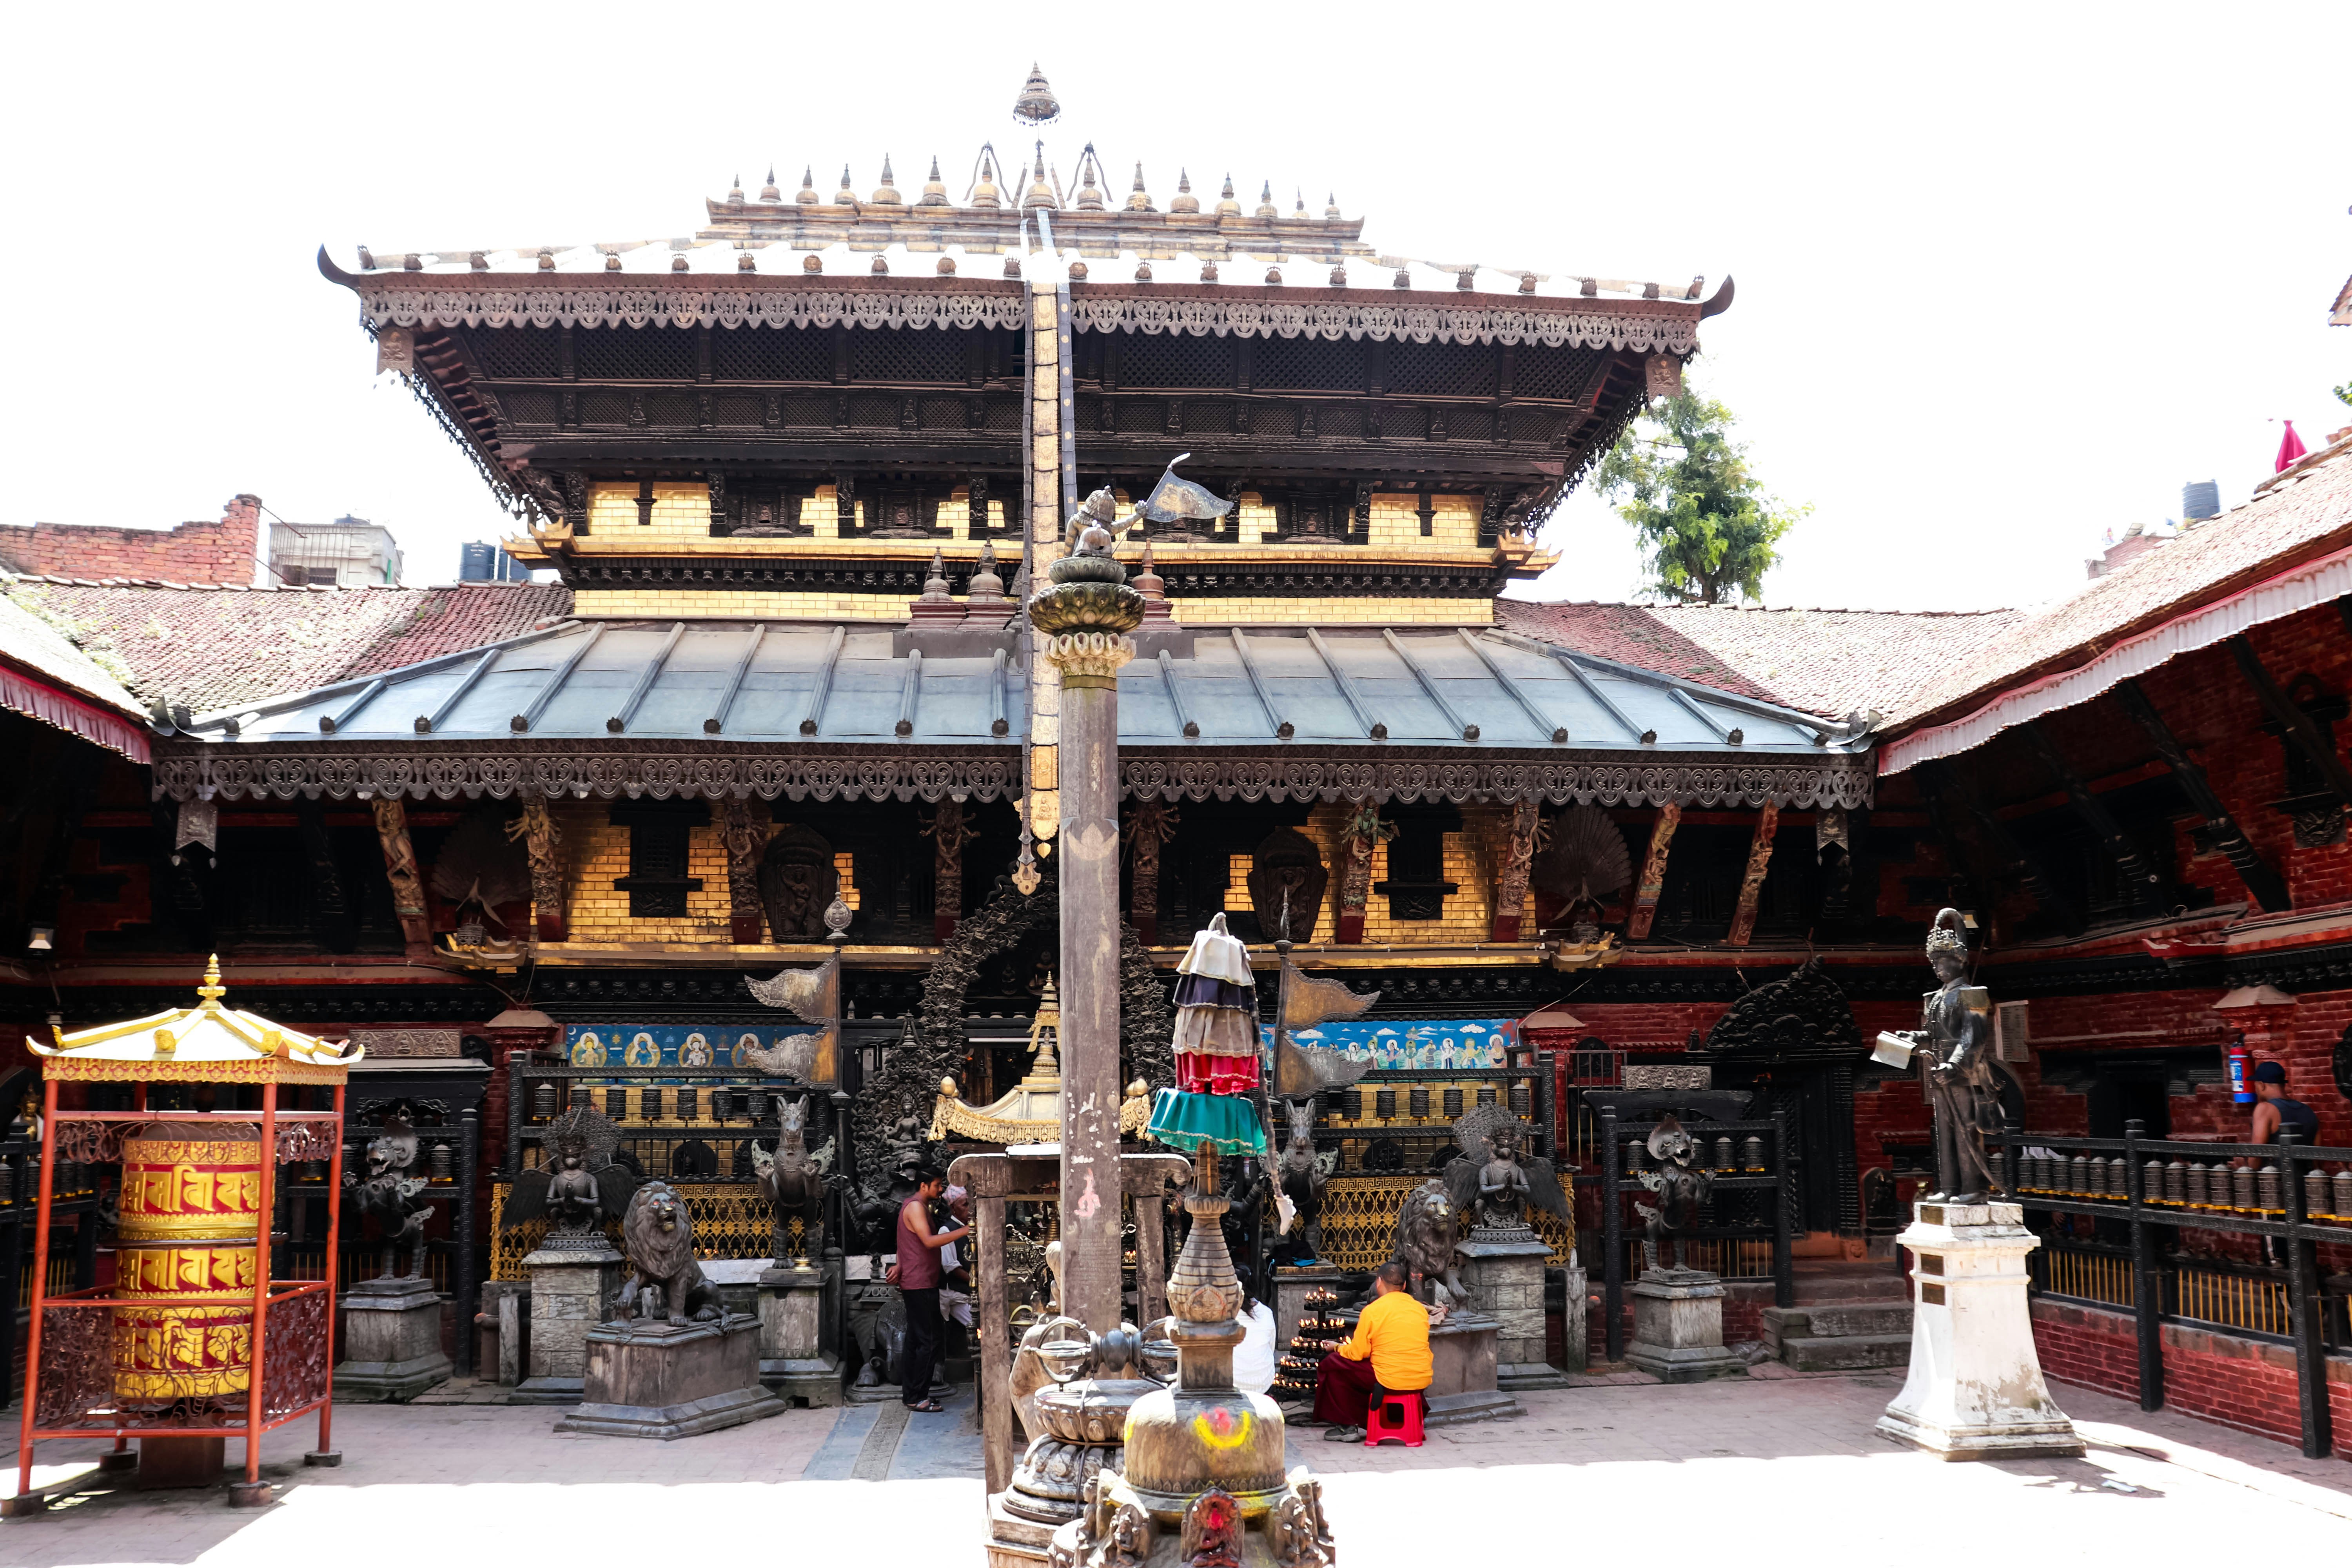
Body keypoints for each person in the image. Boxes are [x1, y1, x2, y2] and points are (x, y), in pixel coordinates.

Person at [1313, 1258, 1432, 1440]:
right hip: (1420, 1378)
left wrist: (1337, 1348)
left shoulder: (1372, 1311)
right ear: (1404, 1285)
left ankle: (1346, 1427)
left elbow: (1358, 1353)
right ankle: (1395, 1419)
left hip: (1389, 1379)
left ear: (1378, 1282)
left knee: (1333, 1364)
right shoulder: (1419, 1309)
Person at [886, 1165, 969, 1412]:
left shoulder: (920, 1207)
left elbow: (904, 1243)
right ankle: (918, 1397)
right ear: (924, 1186)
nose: (941, 1189)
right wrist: (966, 1230)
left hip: (922, 1281)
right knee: (929, 1341)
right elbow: (929, 1242)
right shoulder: (914, 1207)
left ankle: (912, 1394)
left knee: (917, 1341)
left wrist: (900, 1264)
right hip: (920, 1283)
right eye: (937, 1185)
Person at [2249, 1061, 2321, 1145]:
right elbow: (2318, 1151)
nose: (2256, 1091)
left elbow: (2257, 1151)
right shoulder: (2310, 1113)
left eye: (2256, 1086)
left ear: (2262, 1085)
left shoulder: (2265, 1109)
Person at [1232, 1286, 1277, 1397]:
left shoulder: (1223, 1315)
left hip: (1232, 1383)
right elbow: (1271, 1349)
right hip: (1263, 1381)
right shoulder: (1266, 1313)